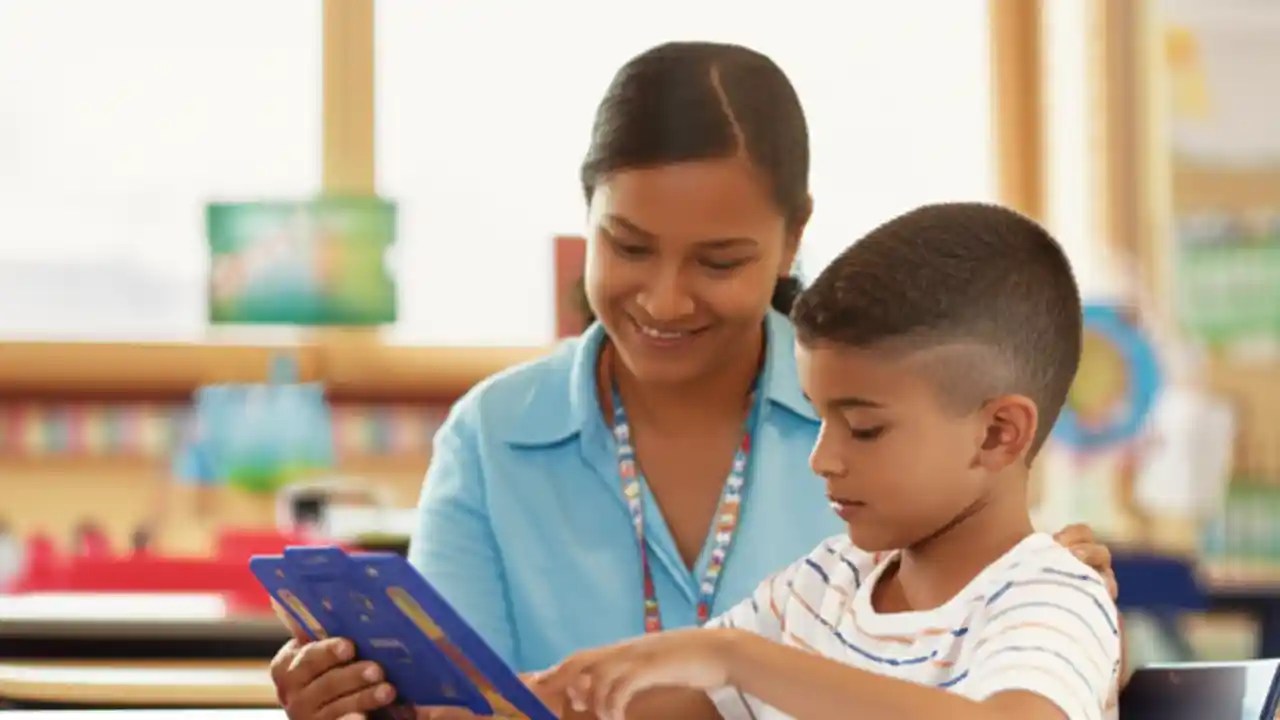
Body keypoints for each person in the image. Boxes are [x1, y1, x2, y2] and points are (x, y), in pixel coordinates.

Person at [269, 41, 1118, 719]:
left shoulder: (1013, 573)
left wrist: (731, 658)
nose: (665, 297)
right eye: (631, 247)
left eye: (717, 260)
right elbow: (618, 697)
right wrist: (408, 707)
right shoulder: (827, 580)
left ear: (793, 240)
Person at [538, 202, 1120, 720]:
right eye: (820, 418)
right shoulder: (823, 585)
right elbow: (654, 701)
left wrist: (734, 658)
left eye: (864, 429)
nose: (823, 459)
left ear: (997, 433)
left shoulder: (1051, 595)